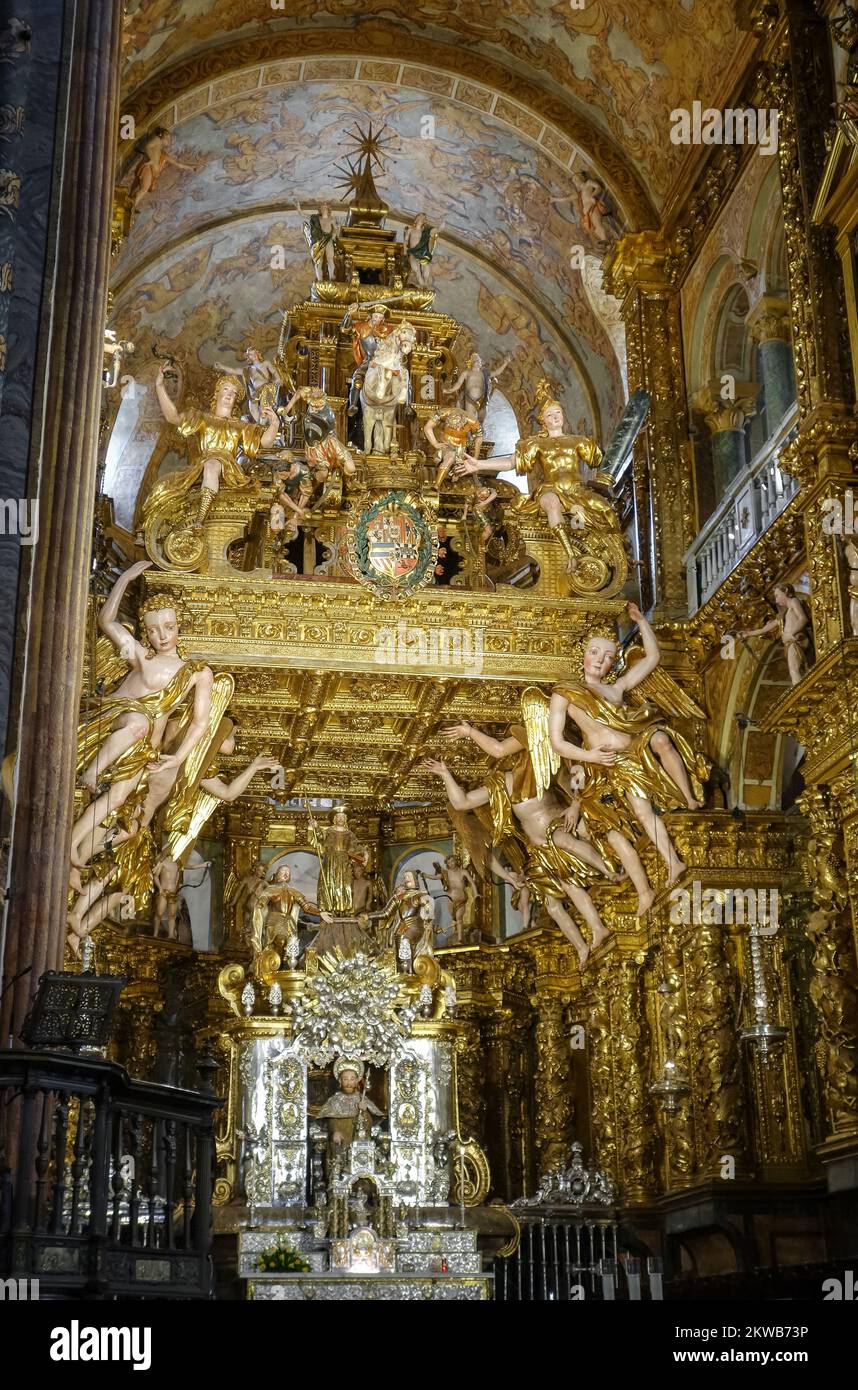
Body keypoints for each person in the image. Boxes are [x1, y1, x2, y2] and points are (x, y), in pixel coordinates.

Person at [548, 603, 708, 889]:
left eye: (608, 656)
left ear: (613, 664)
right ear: (582, 656)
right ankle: (674, 862)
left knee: (661, 738)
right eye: (595, 653)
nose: (600, 660)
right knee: (641, 810)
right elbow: (557, 743)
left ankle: (688, 798)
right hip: (610, 760)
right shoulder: (566, 693)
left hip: (636, 745)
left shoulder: (616, 688)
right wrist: (589, 755)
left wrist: (641, 622)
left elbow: (652, 658)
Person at [149, 368, 280, 527]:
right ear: (217, 393)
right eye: (226, 389)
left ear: (236, 400)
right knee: (162, 485)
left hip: (227, 466)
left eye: (234, 393)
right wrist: (160, 387)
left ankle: (200, 519)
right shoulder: (202, 418)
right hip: (201, 465)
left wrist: (274, 424)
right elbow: (173, 417)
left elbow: (264, 443)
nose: (229, 394)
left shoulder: (240, 426)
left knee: (212, 465)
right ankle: (145, 529)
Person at [736, 583, 813, 686]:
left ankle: (799, 691)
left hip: (795, 640)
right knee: (794, 669)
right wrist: (748, 634)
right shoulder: (783, 615)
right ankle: (799, 689)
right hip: (790, 643)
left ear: (785, 591)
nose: (776, 600)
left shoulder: (794, 601)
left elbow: (803, 619)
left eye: (777, 595)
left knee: (794, 670)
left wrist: (791, 634)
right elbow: (765, 629)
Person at [130, 126, 196, 210]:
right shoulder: (157, 139)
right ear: (162, 135)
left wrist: (192, 168)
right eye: (167, 137)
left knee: (138, 186)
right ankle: (131, 208)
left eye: (170, 139)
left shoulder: (162, 154)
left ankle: (130, 201)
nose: (169, 140)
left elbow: (177, 164)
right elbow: (148, 146)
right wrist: (151, 160)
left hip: (152, 171)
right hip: (148, 168)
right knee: (144, 189)